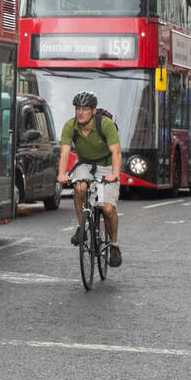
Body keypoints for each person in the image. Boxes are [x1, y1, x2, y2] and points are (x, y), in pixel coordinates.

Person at [56, 90, 123, 266]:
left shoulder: (106, 125)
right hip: (84, 164)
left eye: (85, 109)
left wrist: (114, 174)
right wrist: (62, 174)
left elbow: (116, 151)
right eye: (78, 108)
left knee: (108, 209)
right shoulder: (70, 126)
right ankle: (82, 227)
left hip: (106, 165)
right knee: (79, 188)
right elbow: (64, 153)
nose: (80, 112)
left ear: (93, 111)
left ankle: (114, 245)